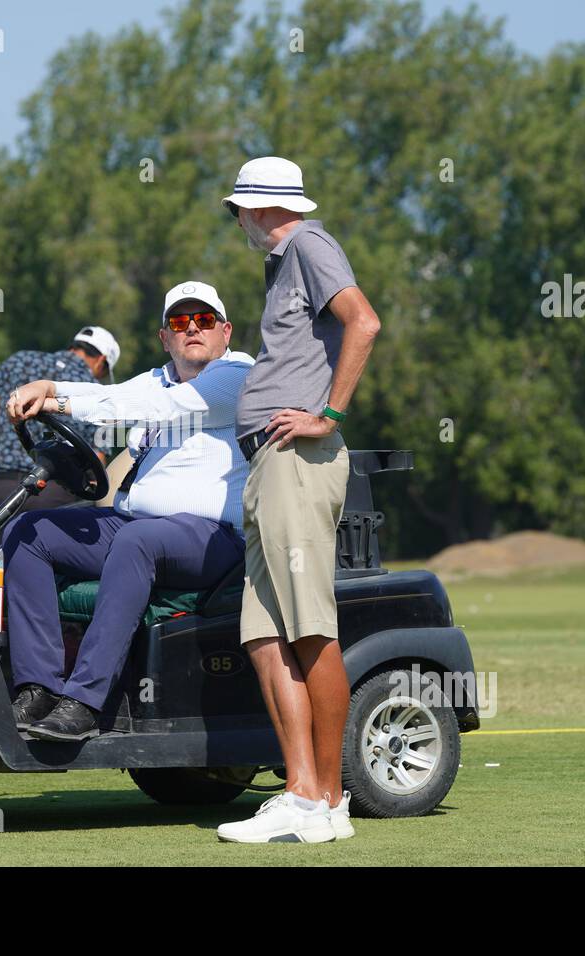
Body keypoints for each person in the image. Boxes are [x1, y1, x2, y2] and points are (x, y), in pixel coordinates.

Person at [0, 281, 254, 742]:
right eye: (180, 321)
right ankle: (37, 686)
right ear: (165, 337)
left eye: (204, 320)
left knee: (138, 541)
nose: (192, 328)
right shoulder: (155, 379)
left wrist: (53, 391)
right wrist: (51, 398)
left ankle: (86, 700)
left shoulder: (237, 376)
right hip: (138, 525)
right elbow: (127, 397)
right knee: (28, 531)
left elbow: (151, 406)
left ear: (226, 331)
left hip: (214, 538)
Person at [215, 156, 382, 844]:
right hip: (268, 463)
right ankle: (300, 794)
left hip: (297, 459)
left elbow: (364, 322)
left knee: (311, 629)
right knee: (263, 635)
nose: (240, 223)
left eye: (239, 211)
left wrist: (329, 415)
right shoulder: (283, 261)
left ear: (258, 208)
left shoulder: (309, 243)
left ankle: (329, 801)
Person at [0, 327, 119, 551]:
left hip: (2, 491)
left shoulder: (17, 361)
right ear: (101, 361)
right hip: (55, 498)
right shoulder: (99, 394)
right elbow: (96, 468)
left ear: (74, 346)